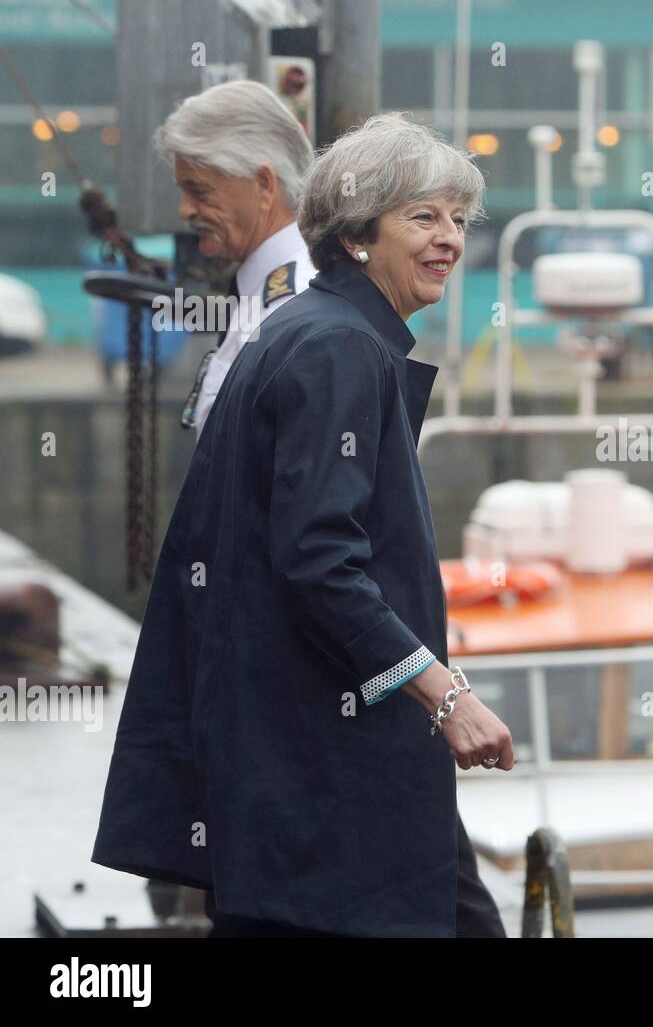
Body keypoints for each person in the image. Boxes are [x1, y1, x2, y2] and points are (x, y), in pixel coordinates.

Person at [93, 113, 514, 938]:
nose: (449, 240)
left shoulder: (307, 330)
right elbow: (321, 562)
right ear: (357, 235)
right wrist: (447, 696)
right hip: (323, 767)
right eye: (423, 217)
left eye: (458, 220)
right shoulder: (339, 350)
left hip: (296, 761)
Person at [152, 80, 318, 438]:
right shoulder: (268, 294)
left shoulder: (293, 304)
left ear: (263, 185)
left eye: (199, 190)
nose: (184, 210)